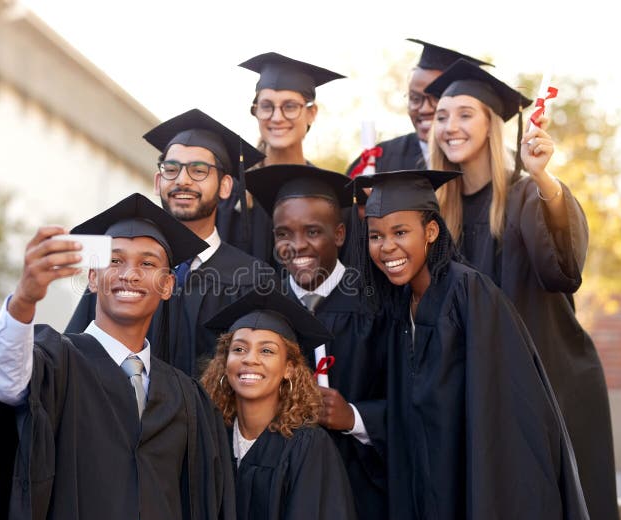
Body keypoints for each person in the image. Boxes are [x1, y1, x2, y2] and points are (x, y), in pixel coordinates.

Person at [0, 193, 236, 520]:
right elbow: (5, 381)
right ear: (93, 278)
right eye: (115, 261)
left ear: (167, 285)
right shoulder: (56, 361)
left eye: (147, 264)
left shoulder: (184, 394)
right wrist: (25, 299)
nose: (129, 274)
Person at [426, 58, 620, 520]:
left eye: (465, 113)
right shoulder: (436, 215)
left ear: (492, 125)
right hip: (471, 393)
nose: (451, 126)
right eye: (443, 115)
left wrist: (545, 179)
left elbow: (565, 268)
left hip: (544, 390)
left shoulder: (526, 196)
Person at [353, 169, 591, 520]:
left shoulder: (469, 293)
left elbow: (509, 412)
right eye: (375, 236)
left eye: (400, 232)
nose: (386, 247)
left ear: (430, 232)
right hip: (430, 493)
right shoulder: (401, 306)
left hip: (476, 489)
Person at [65, 109, 273, 378]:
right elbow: (75, 352)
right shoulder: (118, 268)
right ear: (158, 181)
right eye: (171, 169)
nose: (182, 180)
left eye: (199, 171)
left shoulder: (253, 279)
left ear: (225, 186)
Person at [246, 164, 387, 520]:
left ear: (339, 234)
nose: (297, 246)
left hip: (361, 489)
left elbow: (413, 403)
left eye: (313, 231)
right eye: (284, 234)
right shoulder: (262, 306)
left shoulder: (377, 306)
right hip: (280, 492)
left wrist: (355, 417)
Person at [200, 288, 361, 520]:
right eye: (239, 349)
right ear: (225, 362)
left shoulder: (307, 446)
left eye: (267, 351)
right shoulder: (211, 438)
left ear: (289, 368)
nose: (249, 359)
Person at [217, 52, 345, 262]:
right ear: (256, 112)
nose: (277, 118)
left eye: (290, 106)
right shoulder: (232, 192)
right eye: (267, 106)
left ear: (311, 113)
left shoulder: (328, 193)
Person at [346, 39, 491, 176]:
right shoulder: (379, 160)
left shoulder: (489, 167)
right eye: (415, 98)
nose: (424, 109)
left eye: (435, 97)